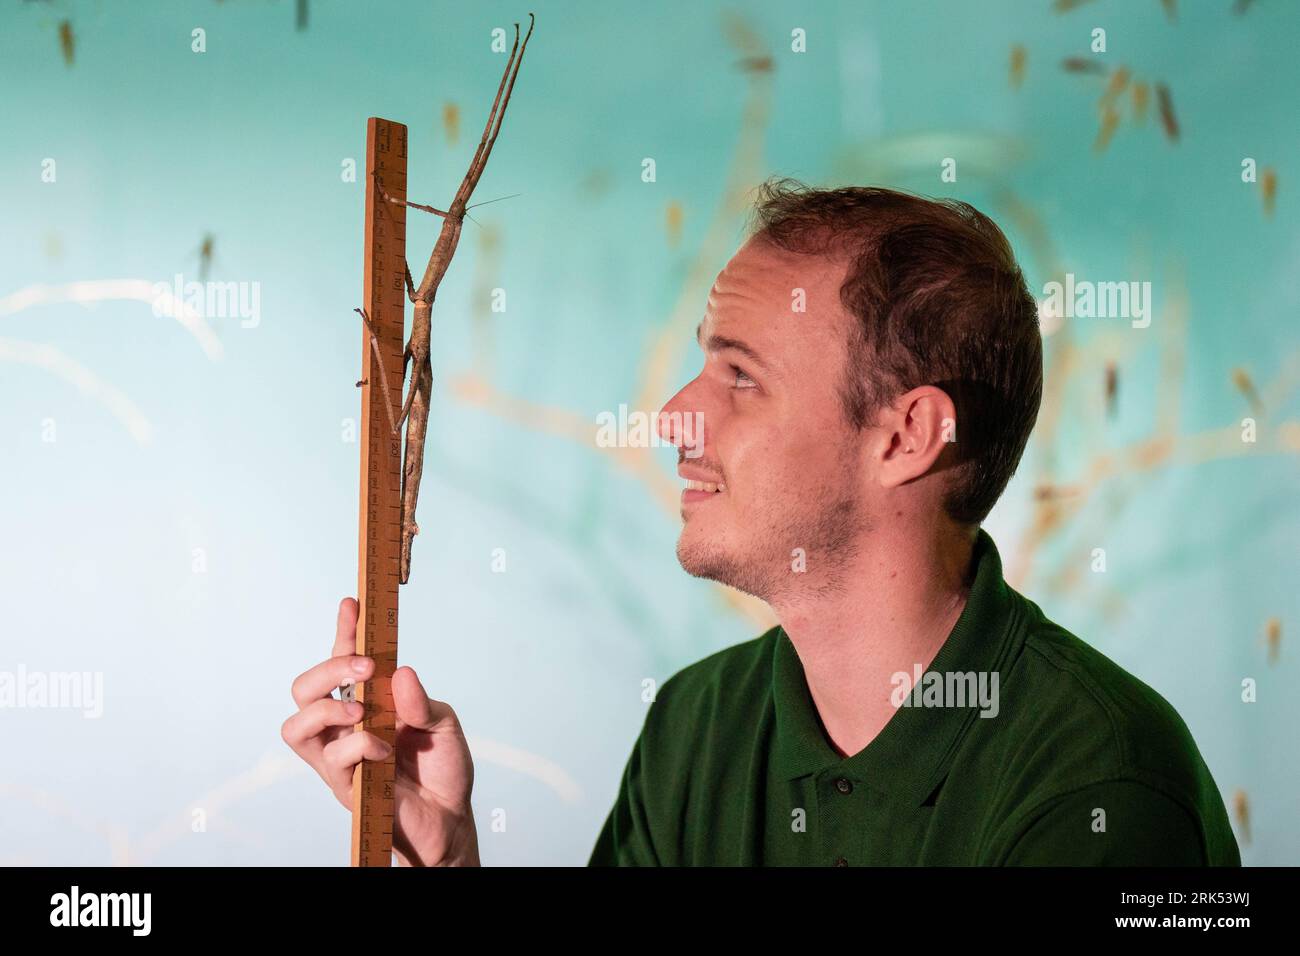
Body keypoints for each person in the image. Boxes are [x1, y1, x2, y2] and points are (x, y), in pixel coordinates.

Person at [282, 179, 1240, 866]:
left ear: (907, 435)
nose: (672, 417)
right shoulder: (699, 725)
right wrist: (447, 864)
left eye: (742, 376)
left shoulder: (1101, 789)